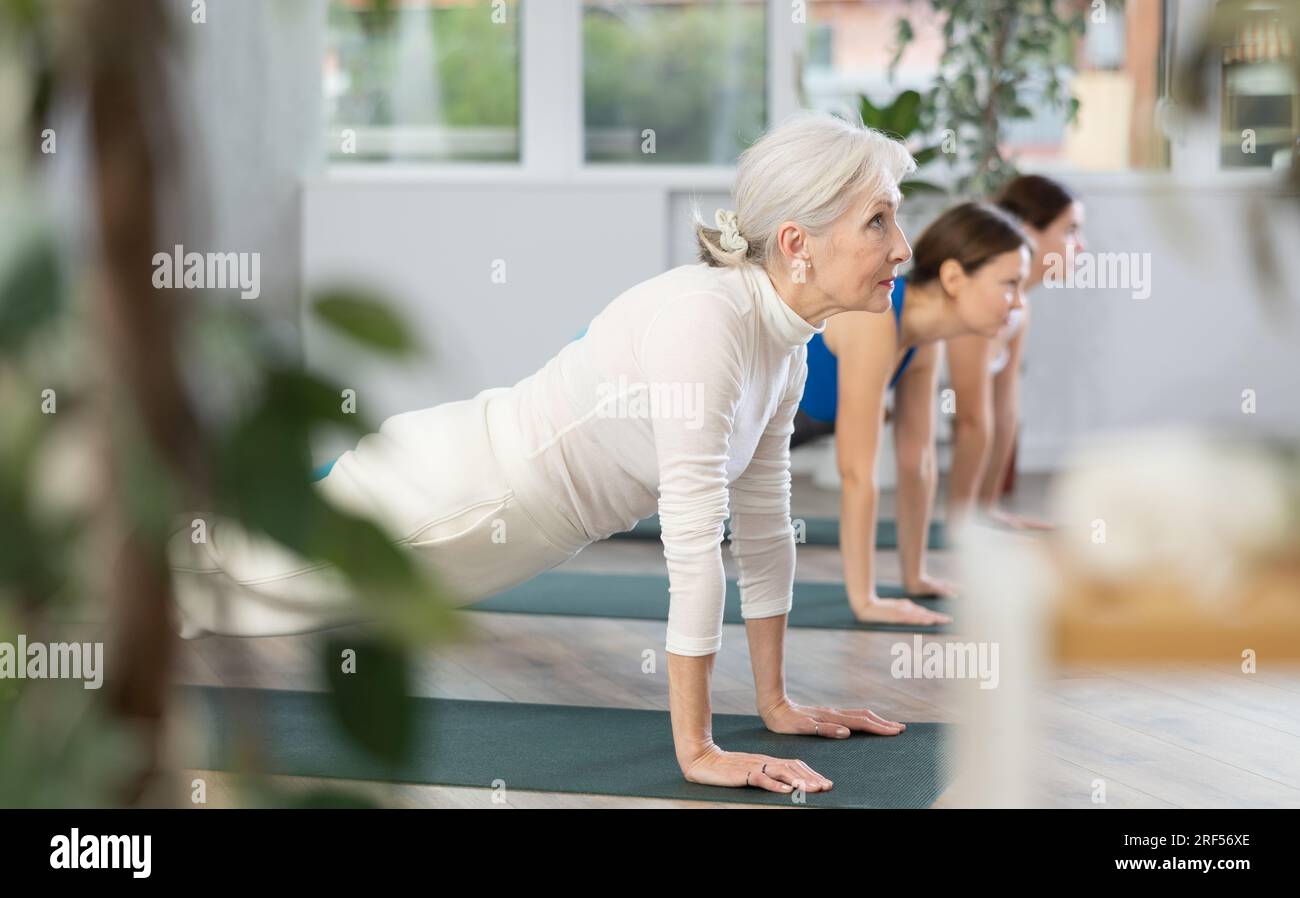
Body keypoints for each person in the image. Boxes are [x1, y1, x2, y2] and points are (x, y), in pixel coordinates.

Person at [169, 110, 917, 795]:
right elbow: (695, 544)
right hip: (461, 497)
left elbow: (763, 529)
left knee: (220, 591)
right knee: (208, 578)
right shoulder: (709, 322)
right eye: (878, 221)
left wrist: (776, 702)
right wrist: (698, 750)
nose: (902, 247)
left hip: (499, 515)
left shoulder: (782, 347)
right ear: (797, 244)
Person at [793, 203, 1032, 626]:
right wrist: (865, 600)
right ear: (955, 278)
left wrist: (915, 576)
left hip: (794, 426)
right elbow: (855, 472)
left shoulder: (925, 337)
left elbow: (916, 461)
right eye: (1009, 284)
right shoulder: (876, 318)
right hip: (744, 420)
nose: (1017, 303)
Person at [945, 175, 1086, 530]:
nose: (1080, 246)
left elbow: (1005, 410)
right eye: (1070, 230)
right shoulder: (980, 298)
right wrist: (964, 527)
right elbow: (971, 420)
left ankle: (983, 510)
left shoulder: (1019, 309)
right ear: (1028, 231)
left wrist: (987, 508)